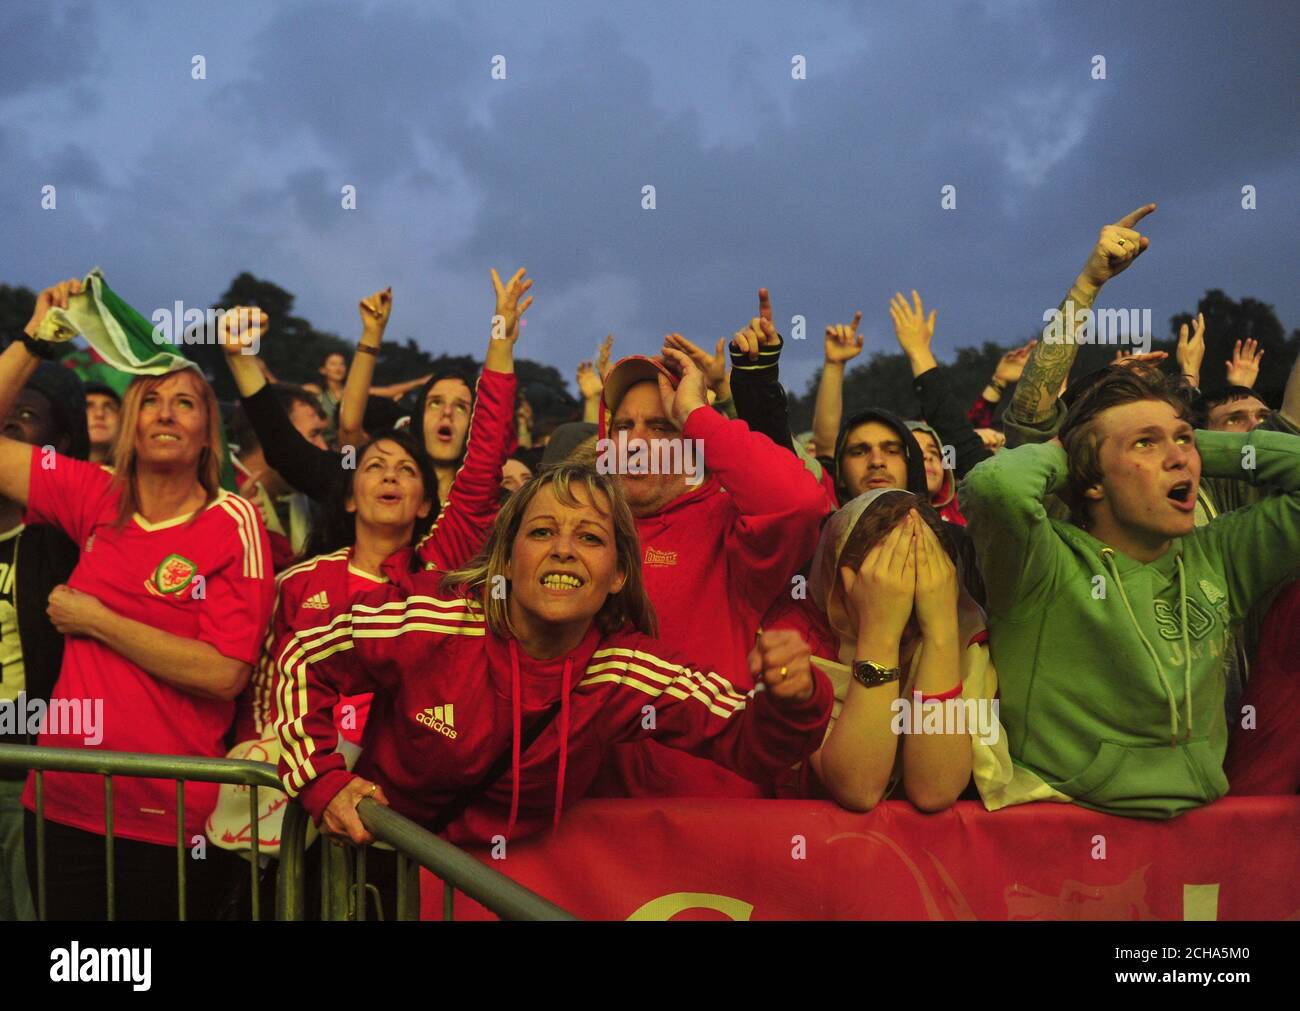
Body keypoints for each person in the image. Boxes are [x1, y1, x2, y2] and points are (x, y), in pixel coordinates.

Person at [273, 463, 831, 851]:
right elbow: (303, 652)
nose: (563, 548)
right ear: (507, 560)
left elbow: (746, 739)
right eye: (542, 531)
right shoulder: (431, 618)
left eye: (590, 538)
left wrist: (793, 699)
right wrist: (324, 781)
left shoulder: (624, 672)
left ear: (618, 575)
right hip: (372, 873)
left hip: (495, 889)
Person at [0, 278, 275, 919]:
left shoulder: (233, 523)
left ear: (209, 433)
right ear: (129, 424)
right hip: (63, 800)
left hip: (169, 813)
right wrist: (34, 342)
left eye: (185, 401)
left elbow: (224, 672)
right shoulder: (94, 495)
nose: (166, 412)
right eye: (150, 400)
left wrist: (97, 620)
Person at [960, 362, 1300, 818]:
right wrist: (1077, 452)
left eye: (1183, 438)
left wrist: (1199, 447)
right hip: (1061, 845)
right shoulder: (1039, 565)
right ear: (1091, 480)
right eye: (1144, 443)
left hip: (1194, 836)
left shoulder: (1219, 556)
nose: (1178, 456)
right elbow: (995, 485)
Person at [588, 319, 829, 798]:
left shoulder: (728, 525)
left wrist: (696, 412)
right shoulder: (580, 529)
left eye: (660, 426)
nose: (636, 442)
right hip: (589, 830)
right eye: (623, 426)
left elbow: (800, 501)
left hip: (710, 826)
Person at [776, 490, 995, 813]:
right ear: (840, 581)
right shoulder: (791, 642)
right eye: (884, 575)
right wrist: (879, 634)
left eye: (918, 573)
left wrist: (940, 633)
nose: (902, 591)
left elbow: (935, 789)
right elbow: (858, 787)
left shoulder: (962, 632)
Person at [0, 360, 86, 921]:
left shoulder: (66, 544)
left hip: (21, 775)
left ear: (56, 446)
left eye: (24, 417)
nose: (6, 428)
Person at [229, 383, 327, 571]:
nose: (324, 448)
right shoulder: (213, 496)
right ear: (274, 437)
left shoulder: (308, 503)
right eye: (314, 435)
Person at [84, 382, 121, 465]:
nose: (99, 414)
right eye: (87, 407)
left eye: (109, 408)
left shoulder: (139, 475)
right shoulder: (51, 471)